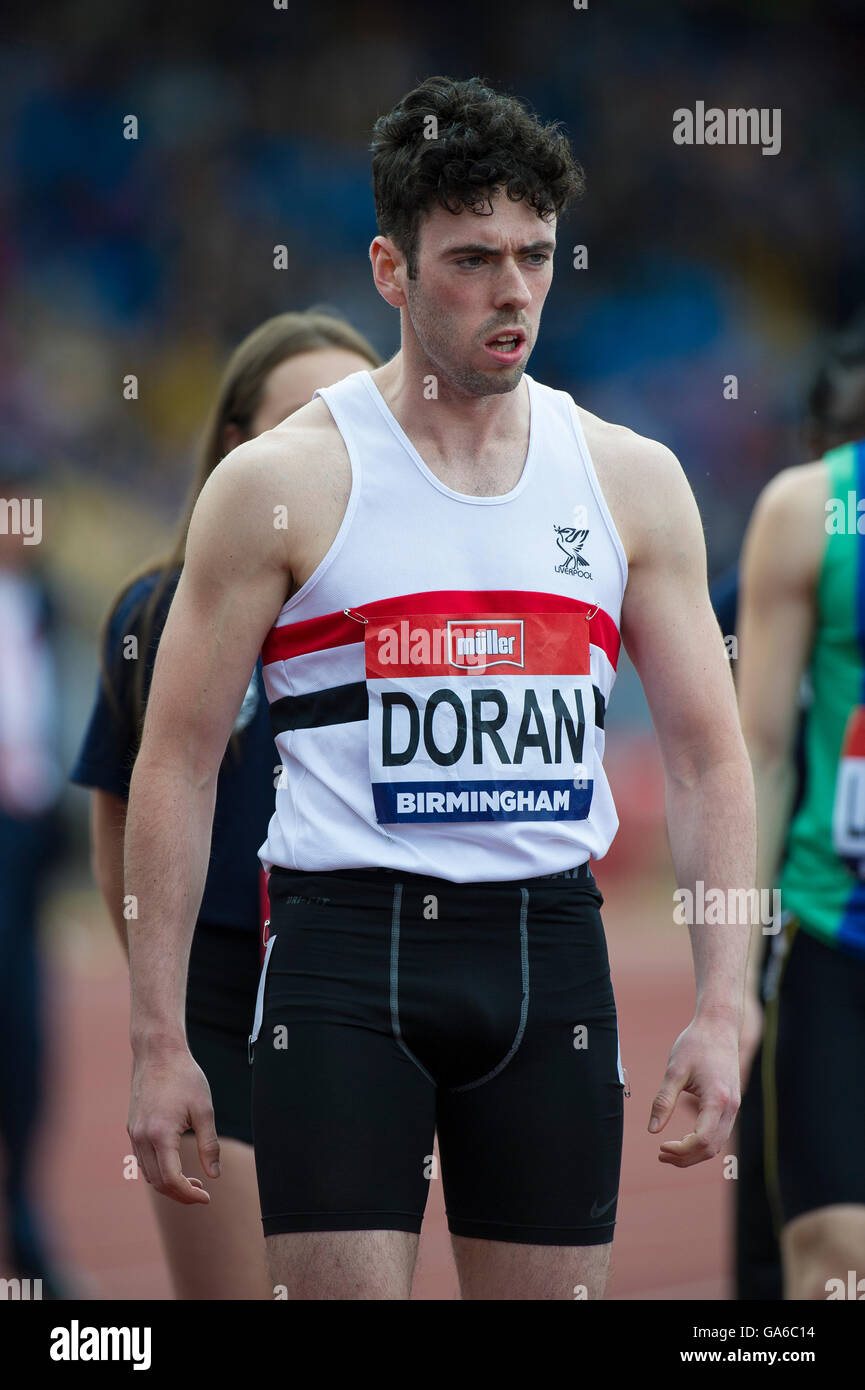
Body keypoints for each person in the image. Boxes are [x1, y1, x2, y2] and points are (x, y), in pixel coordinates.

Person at [123, 76, 755, 1301]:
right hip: (343, 959)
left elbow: (707, 759)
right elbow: (177, 759)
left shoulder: (631, 482)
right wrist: (160, 1040)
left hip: (547, 956)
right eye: (471, 258)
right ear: (390, 270)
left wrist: (724, 1002)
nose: (512, 290)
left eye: (535, 254)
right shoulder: (279, 484)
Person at [70, 310, 381, 1299]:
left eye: (351, 423)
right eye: (300, 425)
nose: (327, 453)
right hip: (220, 989)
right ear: (239, 447)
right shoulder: (156, 616)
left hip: (370, 980)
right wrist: (160, 1003)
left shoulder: (409, 615)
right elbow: (120, 815)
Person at [736, 313, 865, 1300]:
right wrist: (729, 975)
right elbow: (761, 753)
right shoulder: (815, 508)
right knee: (834, 1261)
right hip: (834, 931)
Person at [0, 460, 67, 1296]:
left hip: (27, 837)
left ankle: (22, 1213)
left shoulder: (41, 601)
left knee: (26, 1034)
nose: (26, 526)